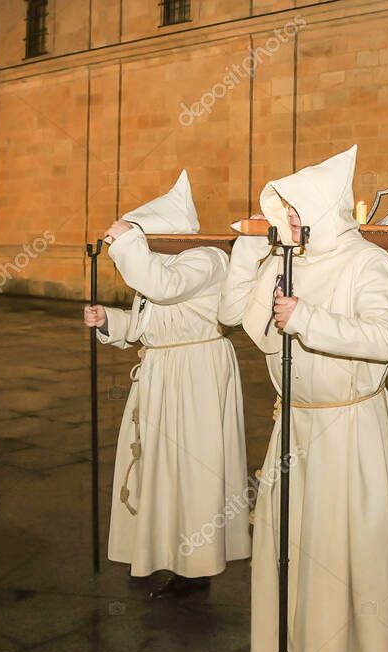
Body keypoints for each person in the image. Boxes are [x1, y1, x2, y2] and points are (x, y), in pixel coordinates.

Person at [218, 146, 388, 652]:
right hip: (295, 422)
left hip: (349, 427)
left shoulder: (368, 262)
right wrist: (250, 252)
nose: (284, 219)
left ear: (318, 208)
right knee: (295, 540)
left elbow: (385, 338)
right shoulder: (287, 261)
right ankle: (300, 646)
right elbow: (238, 318)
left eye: (291, 209)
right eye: (281, 209)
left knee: (346, 546)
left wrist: (306, 317)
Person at [82, 170, 250, 597]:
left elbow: (163, 287)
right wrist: (110, 321)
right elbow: (147, 324)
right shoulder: (163, 265)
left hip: (195, 374)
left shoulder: (206, 259)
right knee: (160, 466)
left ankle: (196, 566)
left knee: (193, 468)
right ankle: (156, 550)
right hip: (162, 372)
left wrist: (127, 242)